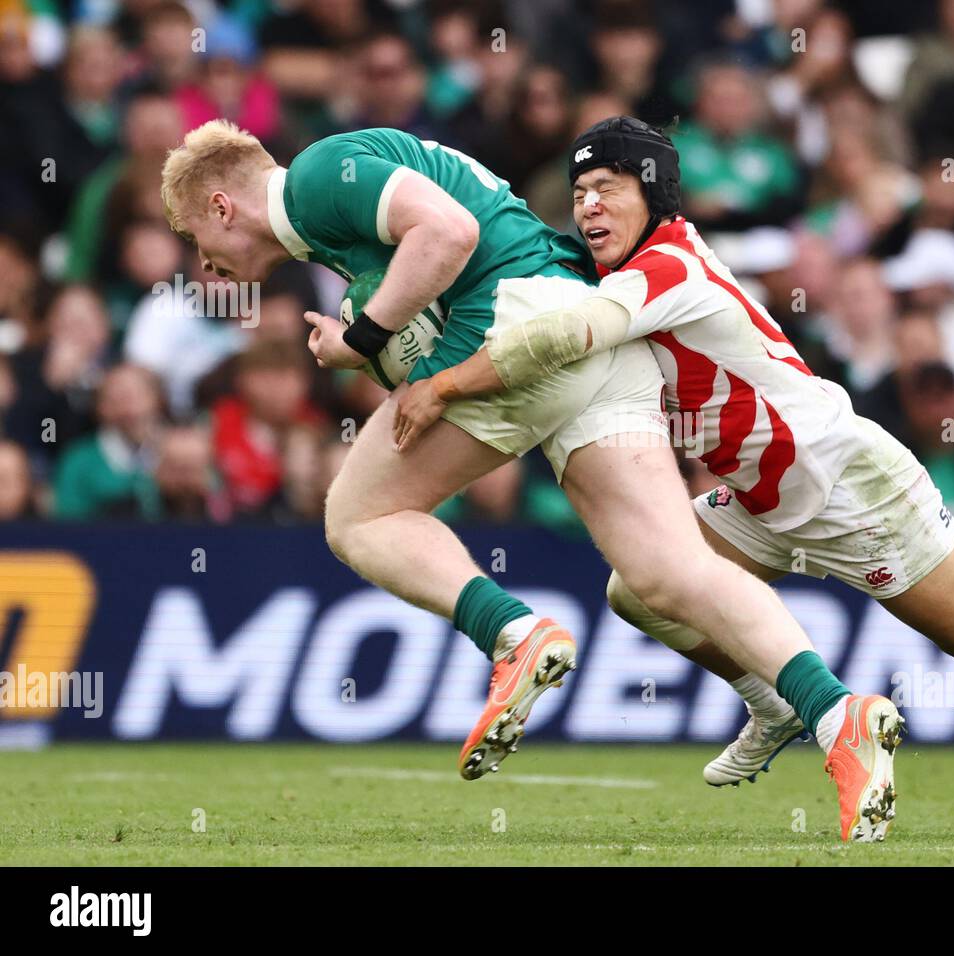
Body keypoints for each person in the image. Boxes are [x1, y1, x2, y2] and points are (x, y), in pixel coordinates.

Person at [395, 117, 954, 839]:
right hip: (758, 497)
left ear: (653, 193)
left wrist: (442, 384)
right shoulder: (617, 267)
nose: (587, 208)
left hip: (847, 485)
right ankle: (777, 699)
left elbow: (567, 335)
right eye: (578, 193)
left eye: (606, 188)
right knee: (639, 590)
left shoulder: (670, 266)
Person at [160, 120, 896, 841]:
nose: (207, 267)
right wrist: (371, 339)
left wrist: (361, 338)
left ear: (223, 207)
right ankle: (837, 713)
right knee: (670, 573)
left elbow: (448, 234)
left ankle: (514, 634)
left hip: (518, 328)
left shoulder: (319, 177)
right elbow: (428, 270)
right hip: (585, 337)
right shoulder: (334, 223)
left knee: (358, 517)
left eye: (198, 240)